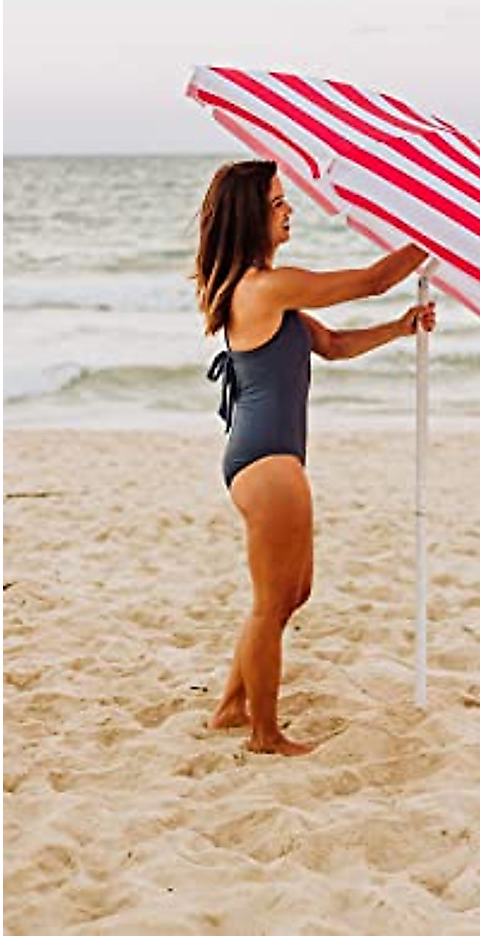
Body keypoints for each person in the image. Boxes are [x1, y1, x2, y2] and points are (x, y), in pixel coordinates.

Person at [190, 159, 436, 756]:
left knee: (293, 593)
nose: (289, 211)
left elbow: (333, 345)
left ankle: (232, 706)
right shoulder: (265, 287)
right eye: (277, 204)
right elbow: (373, 279)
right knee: (272, 602)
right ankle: (264, 734)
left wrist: (400, 328)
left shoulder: (269, 293)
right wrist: (437, 235)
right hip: (267, 463)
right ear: (252, 217)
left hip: (268, 459)